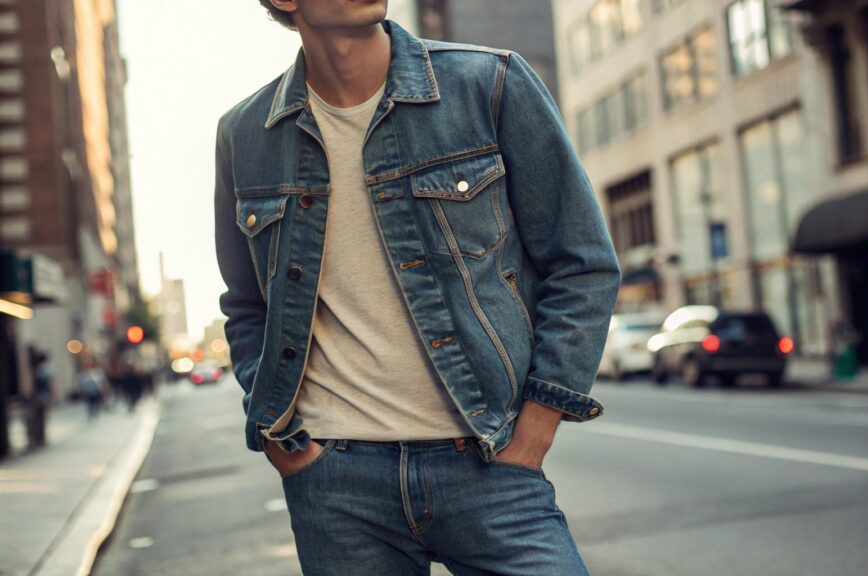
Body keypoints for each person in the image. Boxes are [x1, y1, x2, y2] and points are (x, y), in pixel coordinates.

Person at [214, 2, 620, 574]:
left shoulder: (490, 83)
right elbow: (247, 305)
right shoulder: (246, 135)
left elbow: (582, 264)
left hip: (487, 461)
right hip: (336, 484)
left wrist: (535, 428)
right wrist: (283, 439)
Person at [27, 347, 52, 449]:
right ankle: (41, 438)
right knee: (41, 419)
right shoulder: (45, 370)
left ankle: (39, 439)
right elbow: (49, 384)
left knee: (38, 419)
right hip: (42, 396)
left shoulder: (39, 370)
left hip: (39, 397)